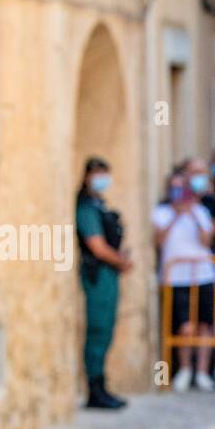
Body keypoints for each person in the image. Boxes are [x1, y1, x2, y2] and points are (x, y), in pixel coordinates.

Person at [75, 156, 132, 410]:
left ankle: (101, 386)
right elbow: (97, 246)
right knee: (98, 330)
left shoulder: (99, 205)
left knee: (106, 329)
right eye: (98, 174)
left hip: (108, 275)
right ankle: (95, 390)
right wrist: (119, 261)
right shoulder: (86, 208)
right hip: (98, 275)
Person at [154, 172, 215, 392]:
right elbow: (158, 240)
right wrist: (175, 215)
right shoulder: (162, 213)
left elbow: (207, 241)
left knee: (204, 325)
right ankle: (184, 369)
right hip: (176, 277)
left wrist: (192, 214)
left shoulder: (201, 212)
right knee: (184, 327)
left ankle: (202, 372)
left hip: (203, 275)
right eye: (175, 188)